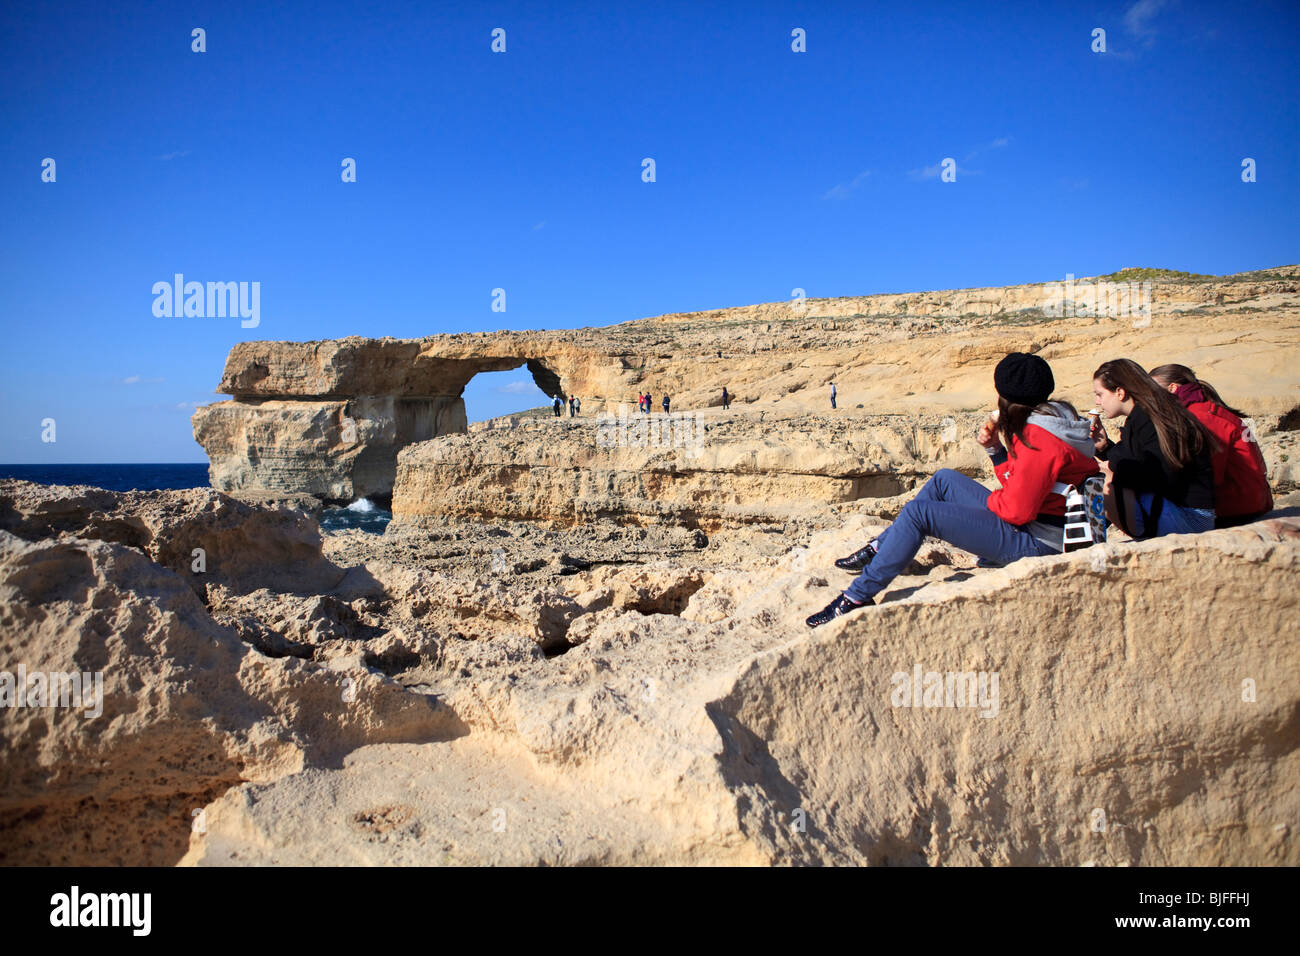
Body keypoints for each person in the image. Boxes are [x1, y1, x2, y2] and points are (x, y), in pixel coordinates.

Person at [807, 353, 1099, 628]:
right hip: (1042, 525)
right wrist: (995, 450)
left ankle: (856, 597)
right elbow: (1028, 486)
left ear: (1007, 399)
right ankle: (881, 547)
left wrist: (996, 499)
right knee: (944, 479)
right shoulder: (1056, 419)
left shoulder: (1039, 438)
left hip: (1040, 542)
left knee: (919, 513)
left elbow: (1017, 509)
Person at [1091, 358, 1216, 539]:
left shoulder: (1152, 419)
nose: (1097, 402)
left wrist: (1111, 467)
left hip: (1192, 518)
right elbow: (1131, 458)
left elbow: (1158, 474)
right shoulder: (1143, 415)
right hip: (1182, 510)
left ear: (1119, 392)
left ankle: (1094, 540)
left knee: (1102, 481)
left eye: (1100, 394)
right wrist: (1103, 447)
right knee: (1106, 476)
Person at [1148, 364, 1271, 527]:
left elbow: (1211, 472)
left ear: (1172, 388)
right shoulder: (1206, 410)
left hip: (1236, 506)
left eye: (1154, 391)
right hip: (1252, 498)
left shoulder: (1200, 417)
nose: (1151, 397)